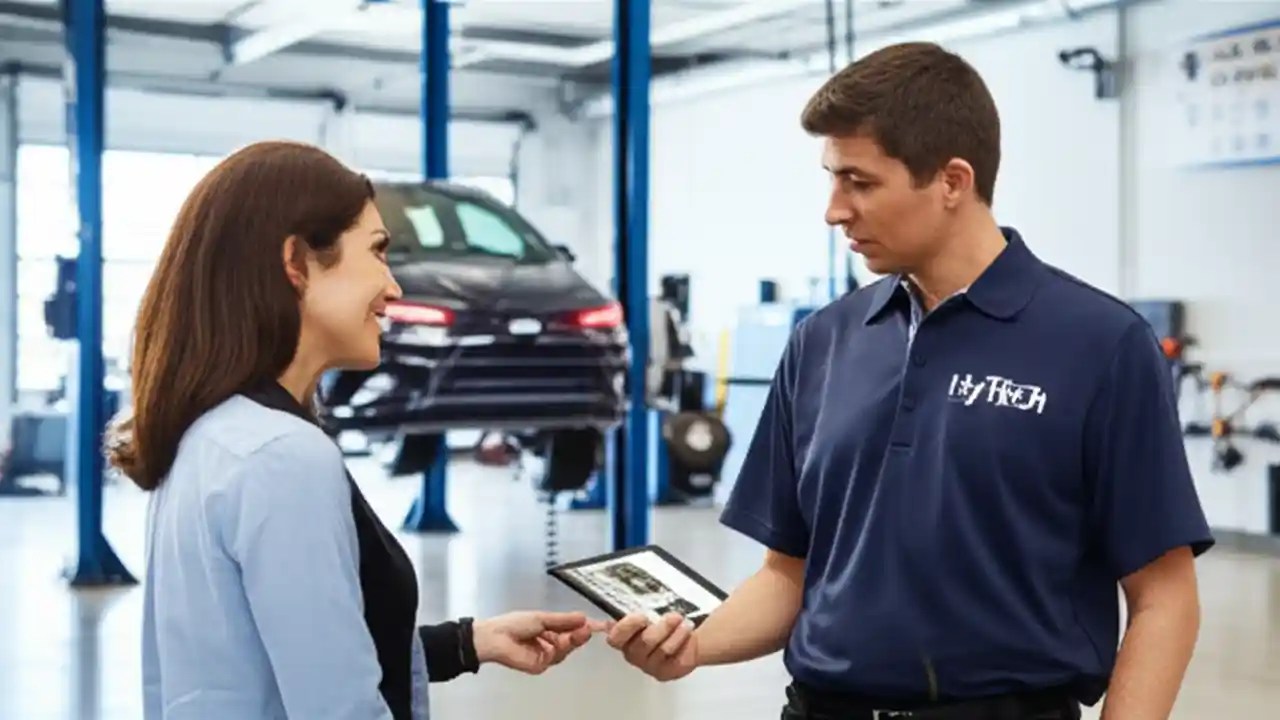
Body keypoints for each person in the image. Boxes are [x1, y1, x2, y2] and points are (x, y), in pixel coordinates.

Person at [604, 41, 1214, 719]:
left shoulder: (1101, 346)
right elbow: (791, 575)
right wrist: (693, 644)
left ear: (953, 181)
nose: (834, 210)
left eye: (859, 182)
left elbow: (1164, 600)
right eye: (831, 178)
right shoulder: (821, 342)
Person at [106, 140, 602, 720]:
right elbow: (338, 706)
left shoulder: (214, 432)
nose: (393, 287)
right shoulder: (285, 457)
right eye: (377, 252)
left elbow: (271, 655)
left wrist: (466, 643)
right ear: (296, 262)